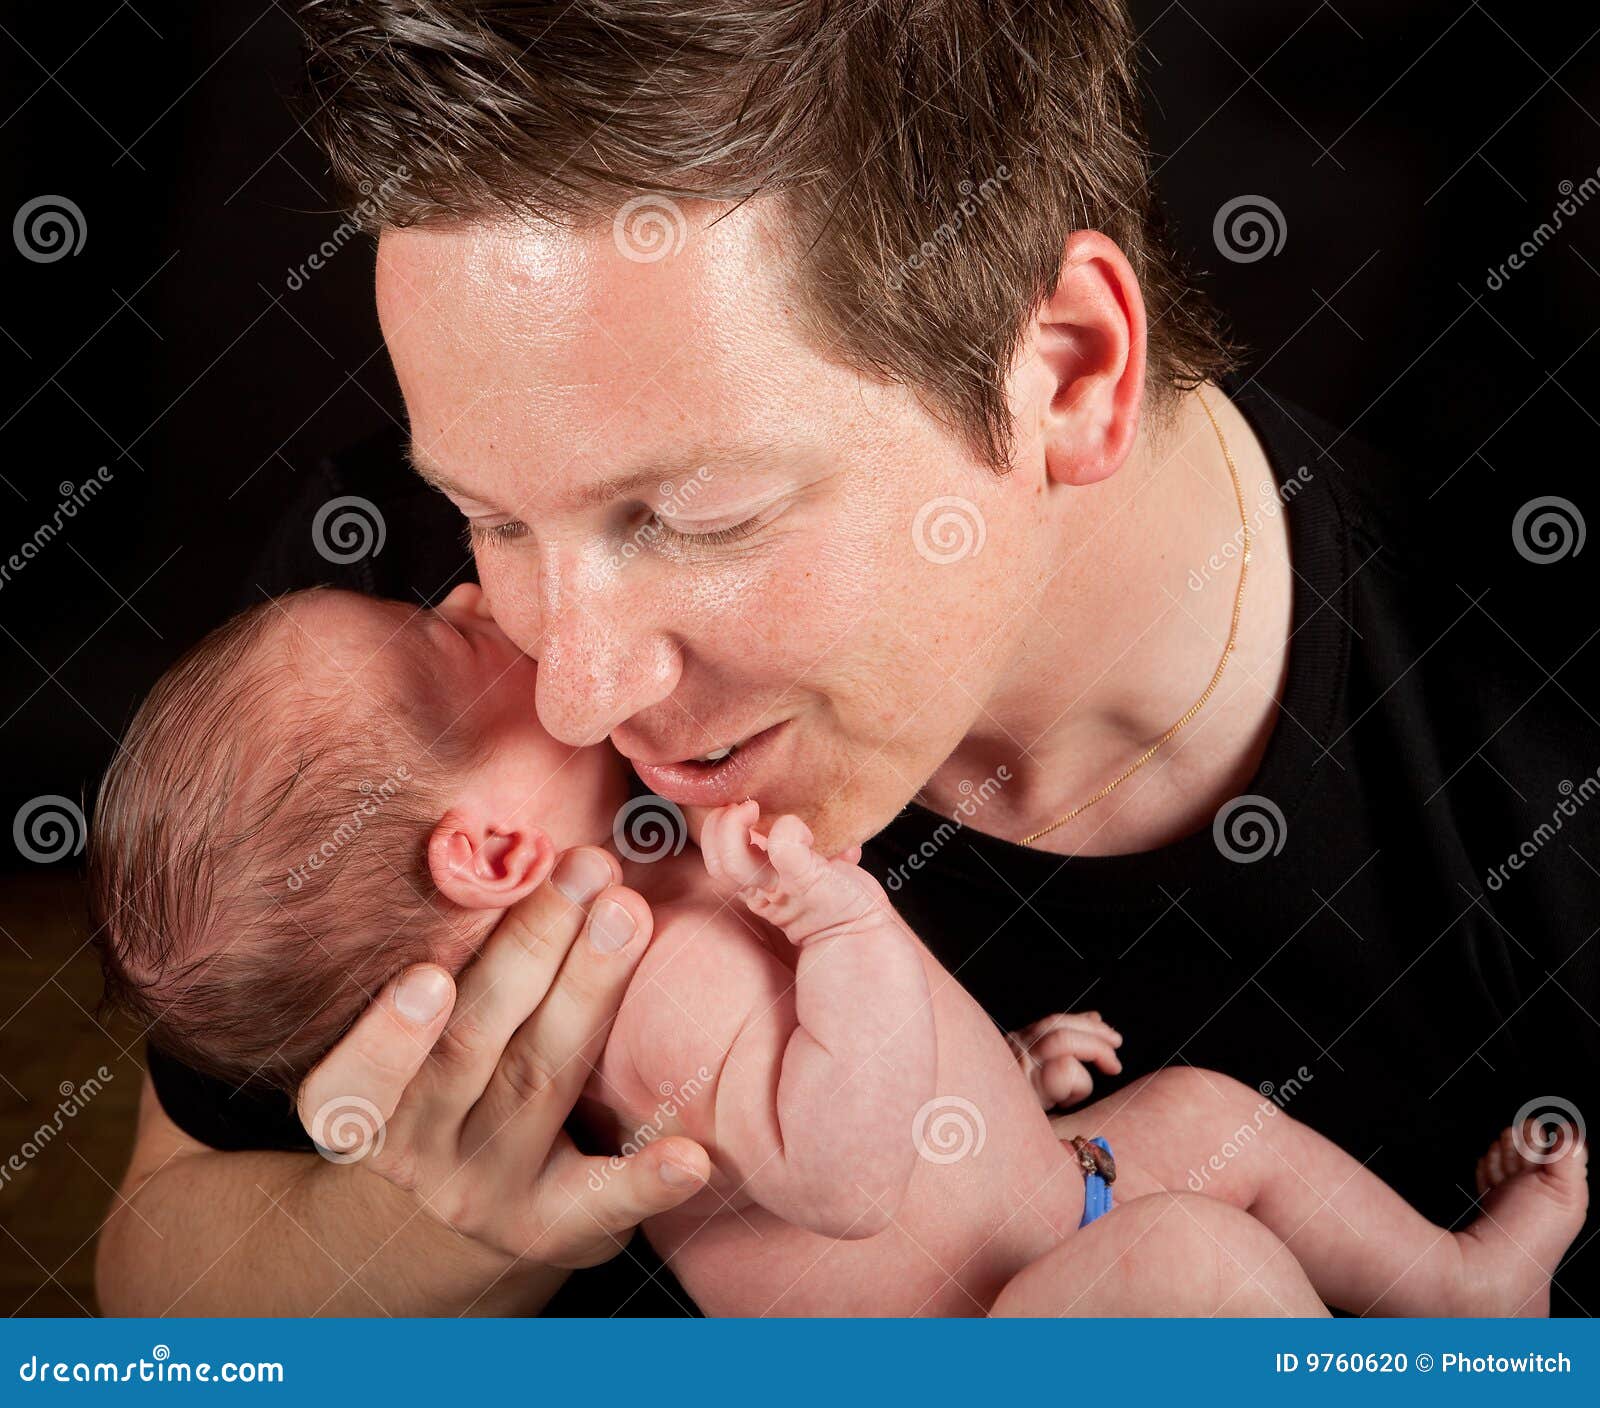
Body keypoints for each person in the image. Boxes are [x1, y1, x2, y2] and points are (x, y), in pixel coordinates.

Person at [95, 1, 1598, 1316]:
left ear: (1069, 372)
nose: (569, 680)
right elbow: (149, 1302)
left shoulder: (1529, 755)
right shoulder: (372, 637)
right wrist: (423, 1234)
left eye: (697, 517)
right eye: (488, 514)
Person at [87, 585, 1588, 1317]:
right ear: (486, 855)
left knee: (1202, 1118)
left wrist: (993, 1068)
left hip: (1037, 1204)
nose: (480, 594)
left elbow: (848, 1116)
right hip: (986, 1336)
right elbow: (845, 1172)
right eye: (450, 644)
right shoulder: (644, 987)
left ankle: (1462, 1293)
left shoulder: (647, 923)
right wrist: (845, 918)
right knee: (1192, 1258)